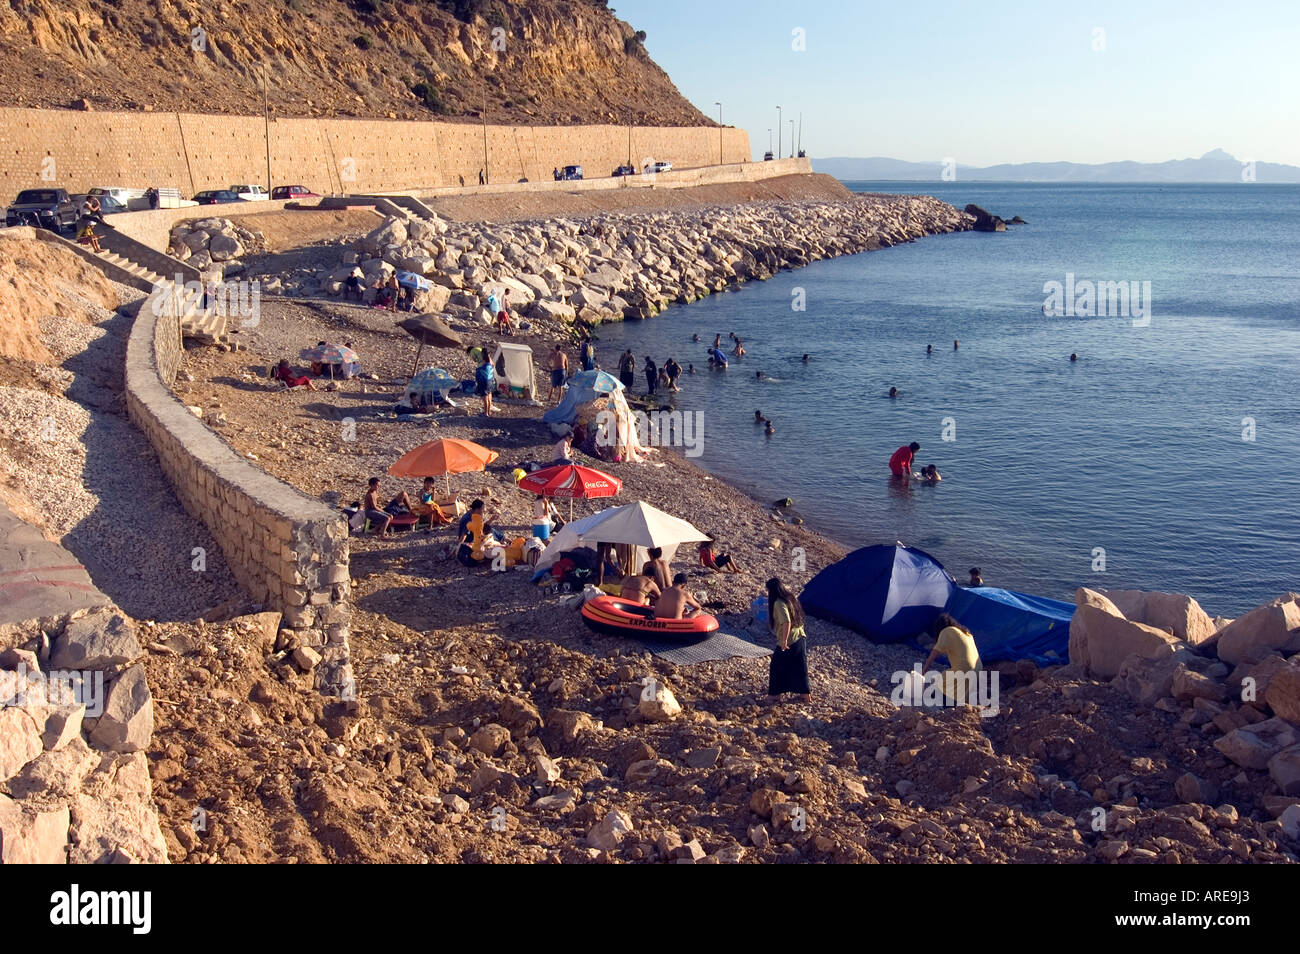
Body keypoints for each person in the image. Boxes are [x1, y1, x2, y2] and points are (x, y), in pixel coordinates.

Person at [923, 613, 983, 705]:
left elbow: (935, 652)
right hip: (978, 668)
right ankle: (955, 705)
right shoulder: (965, 633)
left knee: (942, 680)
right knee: (960, 687)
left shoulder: (946, 631)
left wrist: (925, 670)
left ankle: (938, 702)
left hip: (964, 667)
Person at [766, 577, 810, 701]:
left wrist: (784, 642)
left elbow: (786, 622)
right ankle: (805, 695)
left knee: (776, 666)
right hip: (800, 636)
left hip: (789, 640)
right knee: (800, 666)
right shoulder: (791, 598)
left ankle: (774, 695)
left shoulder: (778, 603)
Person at [475, 350, 496, 416]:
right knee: (489, 396)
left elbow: (478, 374)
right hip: (490, 381)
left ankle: (486, 413)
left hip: (484, 383)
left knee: (485, 398)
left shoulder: (482, 366)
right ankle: (488, 412)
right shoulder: (490, 364)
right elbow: (493, 365)